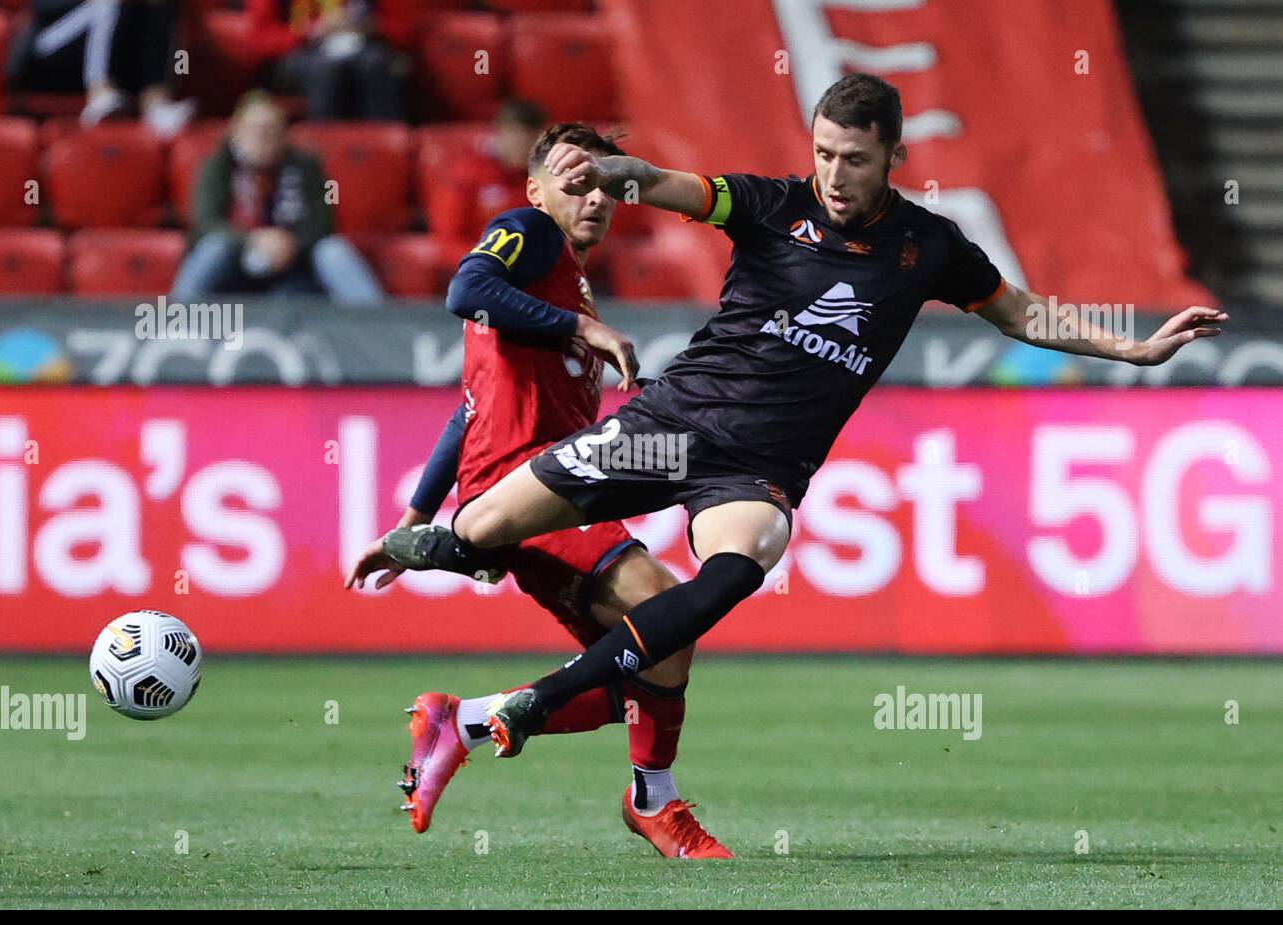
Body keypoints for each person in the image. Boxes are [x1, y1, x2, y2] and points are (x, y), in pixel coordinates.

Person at [353, 72, 1226, 765]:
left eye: (852, 158)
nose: (834, 176)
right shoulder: (775, 205)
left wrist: (1137, 348)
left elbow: (1024, 314)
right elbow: (670, 186)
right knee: (478, 525)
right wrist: (619, 174)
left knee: (741, 566)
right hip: (673, 427)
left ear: (892, 155)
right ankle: (448, 553)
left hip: (756, 467)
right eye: (823, 154)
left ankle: (519, 710)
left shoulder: (930, 249)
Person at [346, 123, 731, 860]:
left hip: (534, 490)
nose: (591, 198)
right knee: (664, 605)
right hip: (531, 482)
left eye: (601, 186)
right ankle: (654, 801)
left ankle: (457, 723)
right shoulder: (530, 236)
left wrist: (413, 514)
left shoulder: (566, 281)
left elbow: (470, 406)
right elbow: (466, 286)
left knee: (646, 665)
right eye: (572, 182)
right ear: (535, 190)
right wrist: (581, 326)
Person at [171, 91, 385, 304]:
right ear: (236, 132)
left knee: (332, 249)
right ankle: (175, 322)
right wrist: (254, 240)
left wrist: (290, 243)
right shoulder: (216, 165)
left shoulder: (308, 164)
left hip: (294, 265)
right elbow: (205, 222)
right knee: (213, 247)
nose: (263, 136)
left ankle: (377, 323)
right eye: (255, 129)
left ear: (284, 134)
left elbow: (325, 220)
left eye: (271, 129)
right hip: (234, 261)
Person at [7, 0, 195, 136]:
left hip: (117, 55)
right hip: (50, 49)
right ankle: (100, 93)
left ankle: (156, 104)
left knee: (158, 5)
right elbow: (43, 7)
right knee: (105, 3)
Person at [426, 99, 548, 273]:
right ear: (499, 134)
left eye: (529, 140)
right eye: (515, 137)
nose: (522, 147)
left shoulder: (549, 178)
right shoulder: (466, 174)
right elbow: (446, 241)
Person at [248, 0, 406, 121]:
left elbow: (403, 29)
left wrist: (370, 25)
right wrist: (310, 32)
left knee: (376, 64)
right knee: (328, 70)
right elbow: (261, 39)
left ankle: (385, 153)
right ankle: (323, 154)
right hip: (300, 52)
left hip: (360, 44)